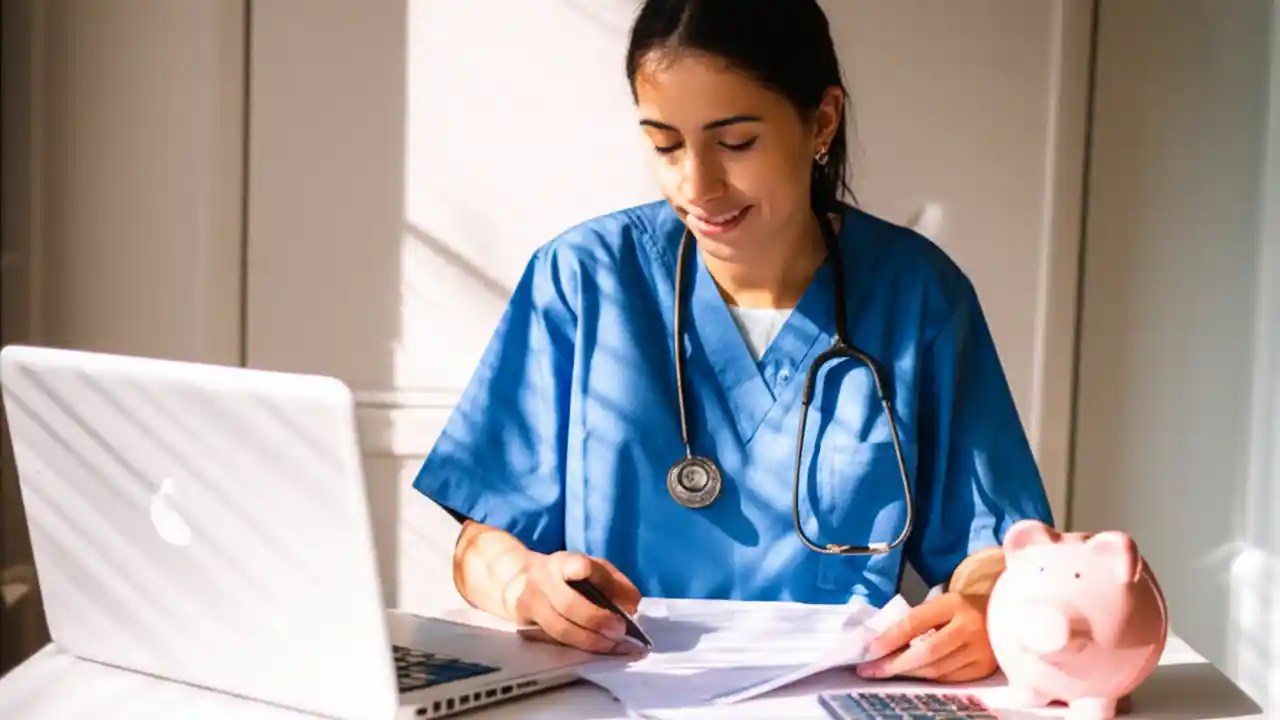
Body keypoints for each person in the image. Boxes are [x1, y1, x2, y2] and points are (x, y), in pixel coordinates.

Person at [413, 0, 1053, 684]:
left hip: (833, 697)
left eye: (735, 143)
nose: (698, 185)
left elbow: (997, 548)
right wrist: (522, 586)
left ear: (822, 121)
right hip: (614, 696)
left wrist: (988, 613)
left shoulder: (917, 293)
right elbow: (480, 541)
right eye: (664, 144)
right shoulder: (584, 279)